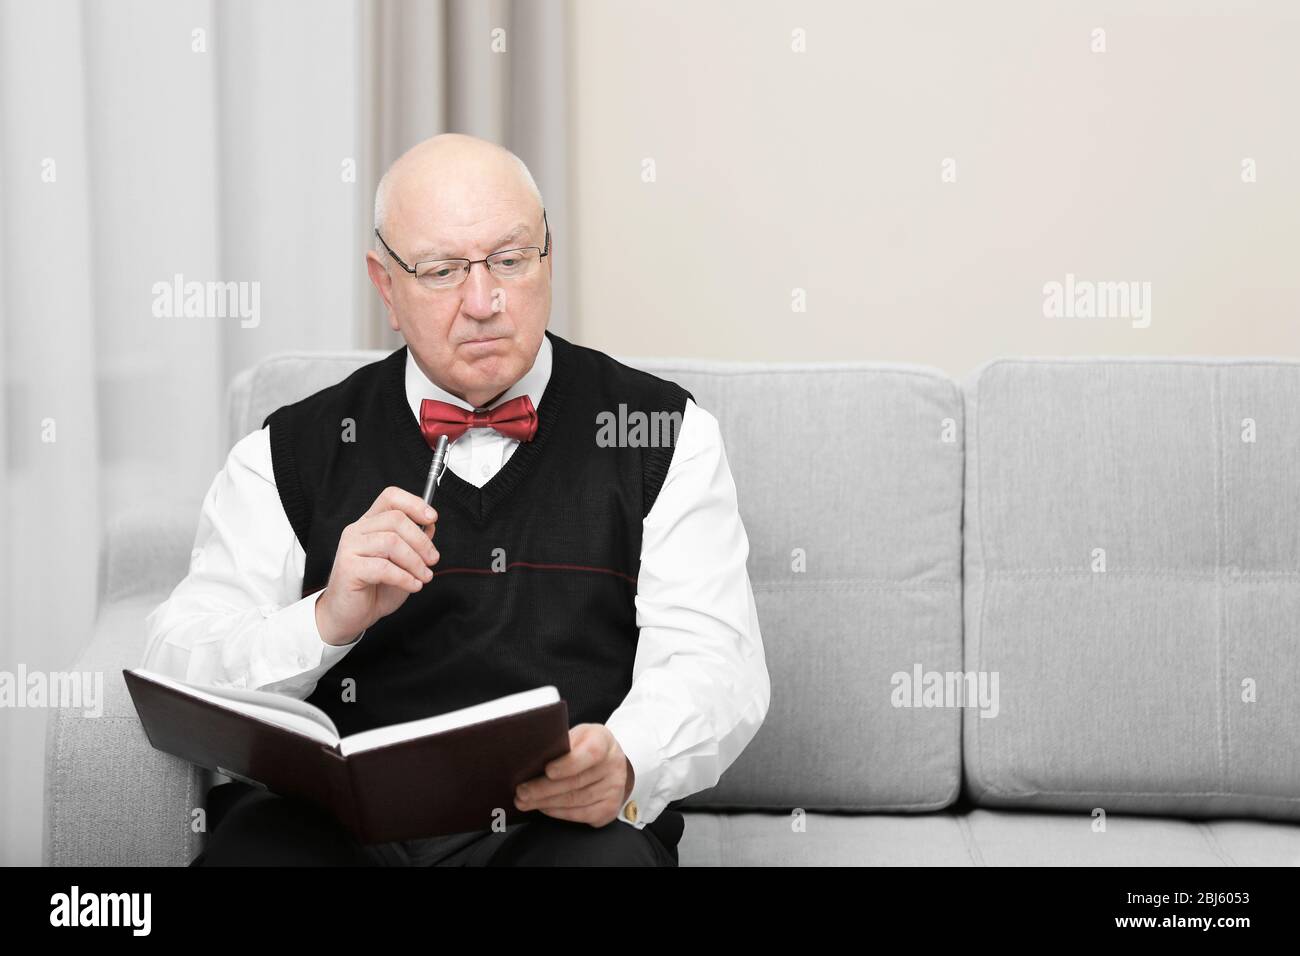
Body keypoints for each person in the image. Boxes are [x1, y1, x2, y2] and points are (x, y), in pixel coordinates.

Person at [142, 133, 770, 866]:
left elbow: (715, 662)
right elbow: (172, 664)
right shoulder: (287, 452)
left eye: (509, 260)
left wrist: (628, 759)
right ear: (386, 287)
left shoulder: (664, 433)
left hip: (556, 835)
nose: (483, 302)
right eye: (442, 271)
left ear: (548, 256)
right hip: (336, 835)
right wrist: (323, 620)